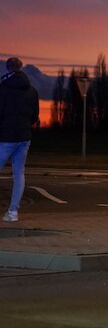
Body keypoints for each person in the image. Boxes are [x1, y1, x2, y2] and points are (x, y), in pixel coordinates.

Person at [0, 57, 39, 223]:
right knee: (19, 173)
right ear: (20, 68)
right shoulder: (31, 90)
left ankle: (12, 212)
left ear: (7, 68)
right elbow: (34, 116)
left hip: (5, 137)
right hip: (24, 137)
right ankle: (13, 212)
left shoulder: (2, 89)